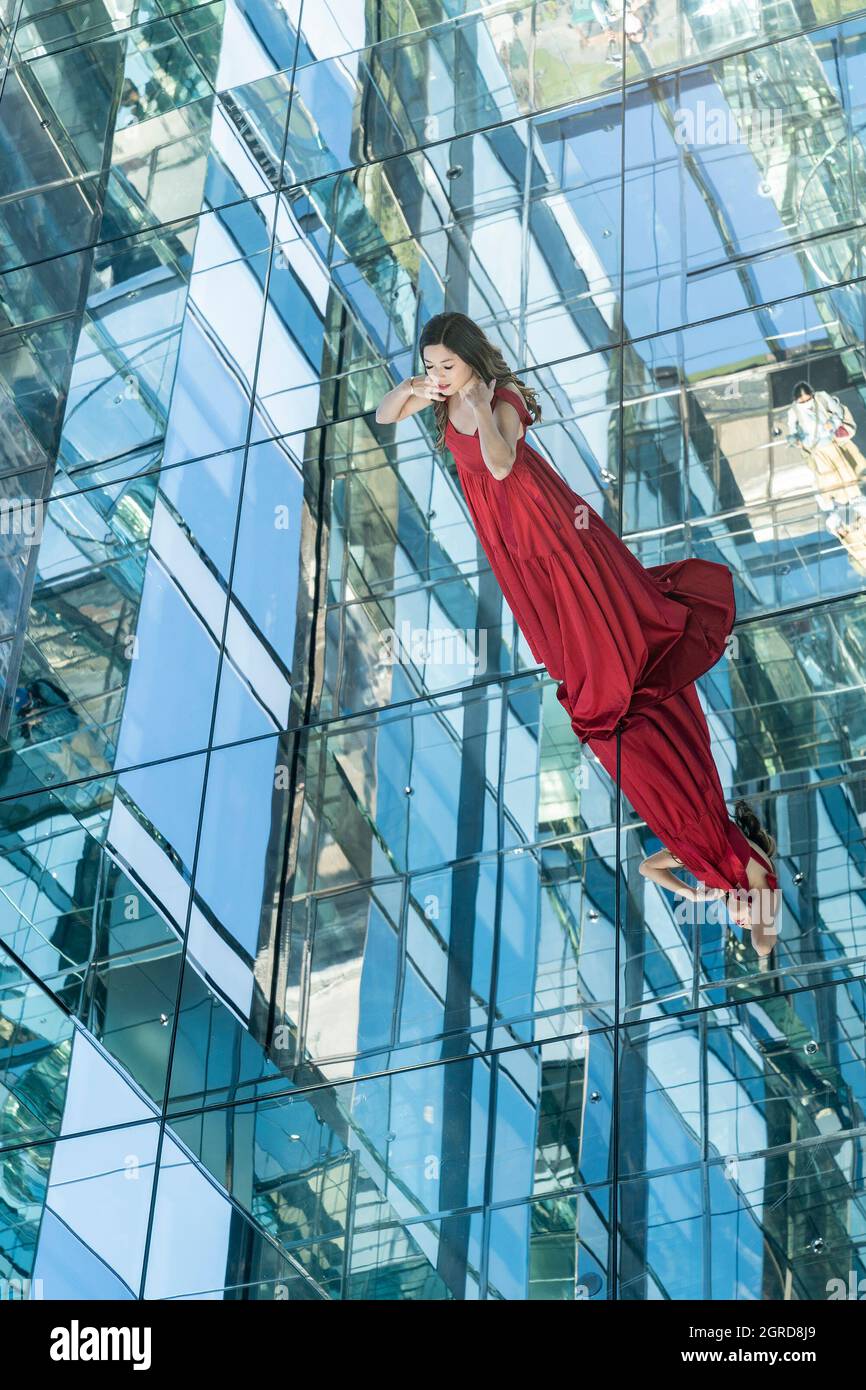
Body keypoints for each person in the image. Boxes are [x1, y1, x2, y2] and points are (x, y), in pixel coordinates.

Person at [374, 314, 774, 938]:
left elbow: (503, 466)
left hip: (543, 523)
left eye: (445, 366)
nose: (437, 377)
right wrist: (415, 388)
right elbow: (383, 415)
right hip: (512, 533)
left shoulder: (499, 398)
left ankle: (611, 671)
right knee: (558, 622)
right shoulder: (730, 862)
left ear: (474, 361)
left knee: (572, 624)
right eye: (432, 366)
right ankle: (617, 666)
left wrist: (478, 406)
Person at [785, 381, 866, 575]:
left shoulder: (822, 398)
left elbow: (838, 413)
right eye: (801, 400)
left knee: (842, 474)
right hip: (818, 449)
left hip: (831, 445)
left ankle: (850, 500)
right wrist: (796, 440)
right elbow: (792, 432)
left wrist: (833, 424)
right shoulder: (794, 412)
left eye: (807, 398)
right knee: (833, 478)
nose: (805, 402)